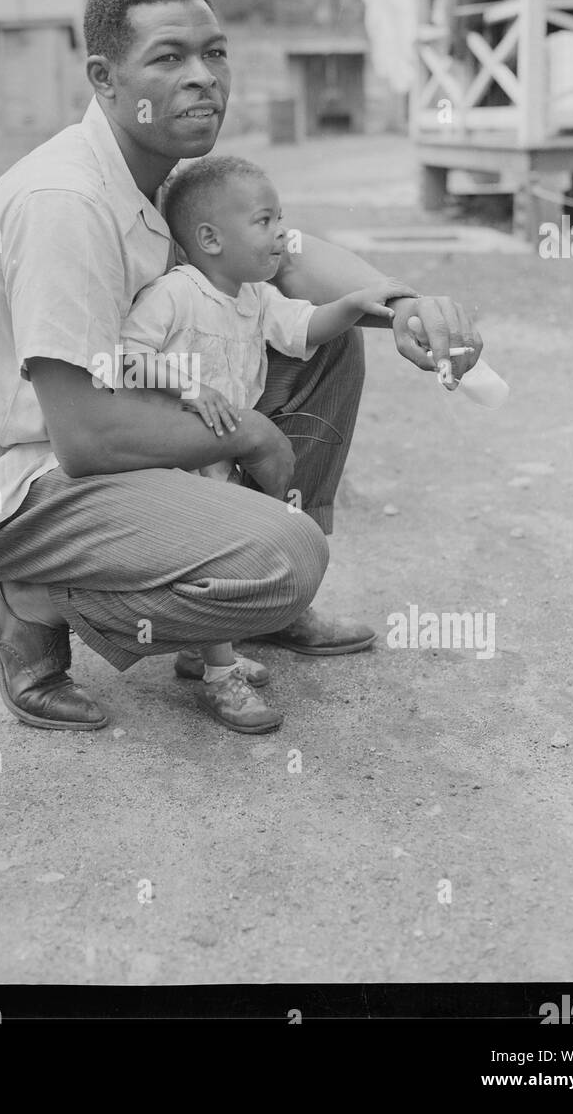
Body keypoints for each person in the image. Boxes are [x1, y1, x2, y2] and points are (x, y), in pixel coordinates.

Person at [0, 0, 482, 735]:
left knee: (326, 344)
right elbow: (83, 436)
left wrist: (406, 306)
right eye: (169, 57)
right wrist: (247, 430)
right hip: (19, 484)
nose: (203, 77)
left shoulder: (162, 178)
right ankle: (22, 599)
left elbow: (291, 255)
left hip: (96, 442)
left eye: (214, 54)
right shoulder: (67, 204)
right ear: (105, 79)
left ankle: (237, 608)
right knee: (286, 560)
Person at [116, 154, 419, 731]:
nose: (281, 232)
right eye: (264, 221)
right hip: (177, 453)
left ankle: (204, 646)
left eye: (281, 218)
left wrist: (352, 305)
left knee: (241, 546)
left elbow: (302, 328)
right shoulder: (176, 295)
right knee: (216, 551)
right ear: (209, 238)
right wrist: (188, 385)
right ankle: (217, 675)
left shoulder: (254, 297)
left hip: (226, 448)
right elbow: (128, 355)